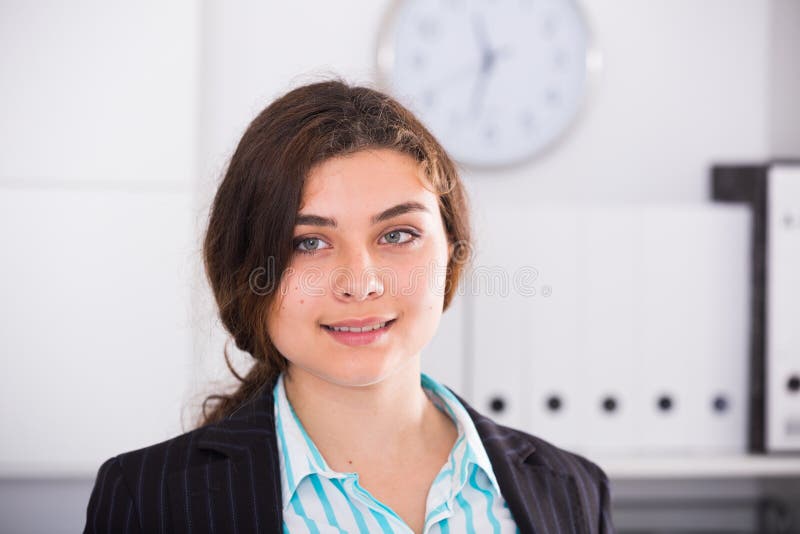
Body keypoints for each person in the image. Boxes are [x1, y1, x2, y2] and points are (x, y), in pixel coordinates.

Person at [84, 78, 614, 534]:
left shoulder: (573, 490)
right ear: (246, 268)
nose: (359, 284)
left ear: (452, 251)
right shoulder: (149, 500)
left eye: (399, 234)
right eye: (308, 242)